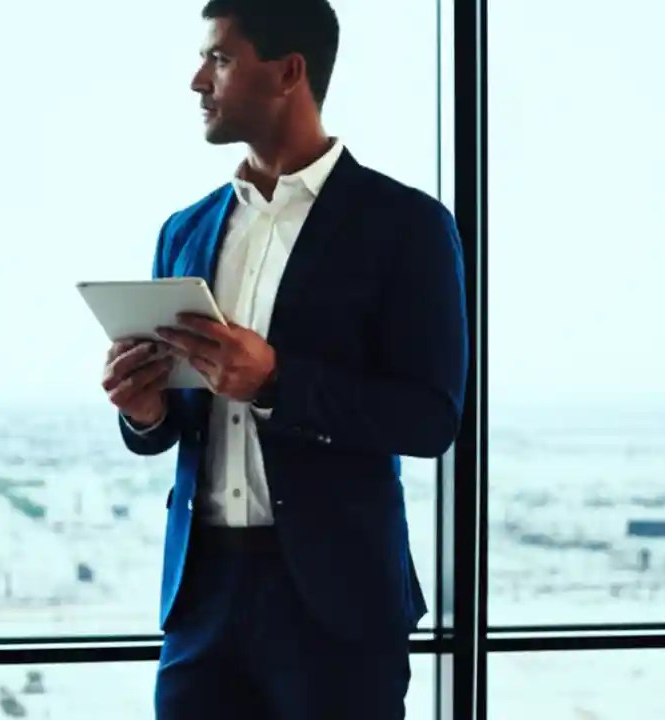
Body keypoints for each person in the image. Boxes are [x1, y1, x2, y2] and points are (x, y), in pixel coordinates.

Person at [100, 0, 469, 717]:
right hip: (201, 599)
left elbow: (430, 420)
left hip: (337, 606)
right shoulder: (184, 230)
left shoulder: (407, 227)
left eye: (219, 58)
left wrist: (276, 381)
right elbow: (171, 425)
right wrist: (144, 413)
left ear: (288, 72)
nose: (196, 81)